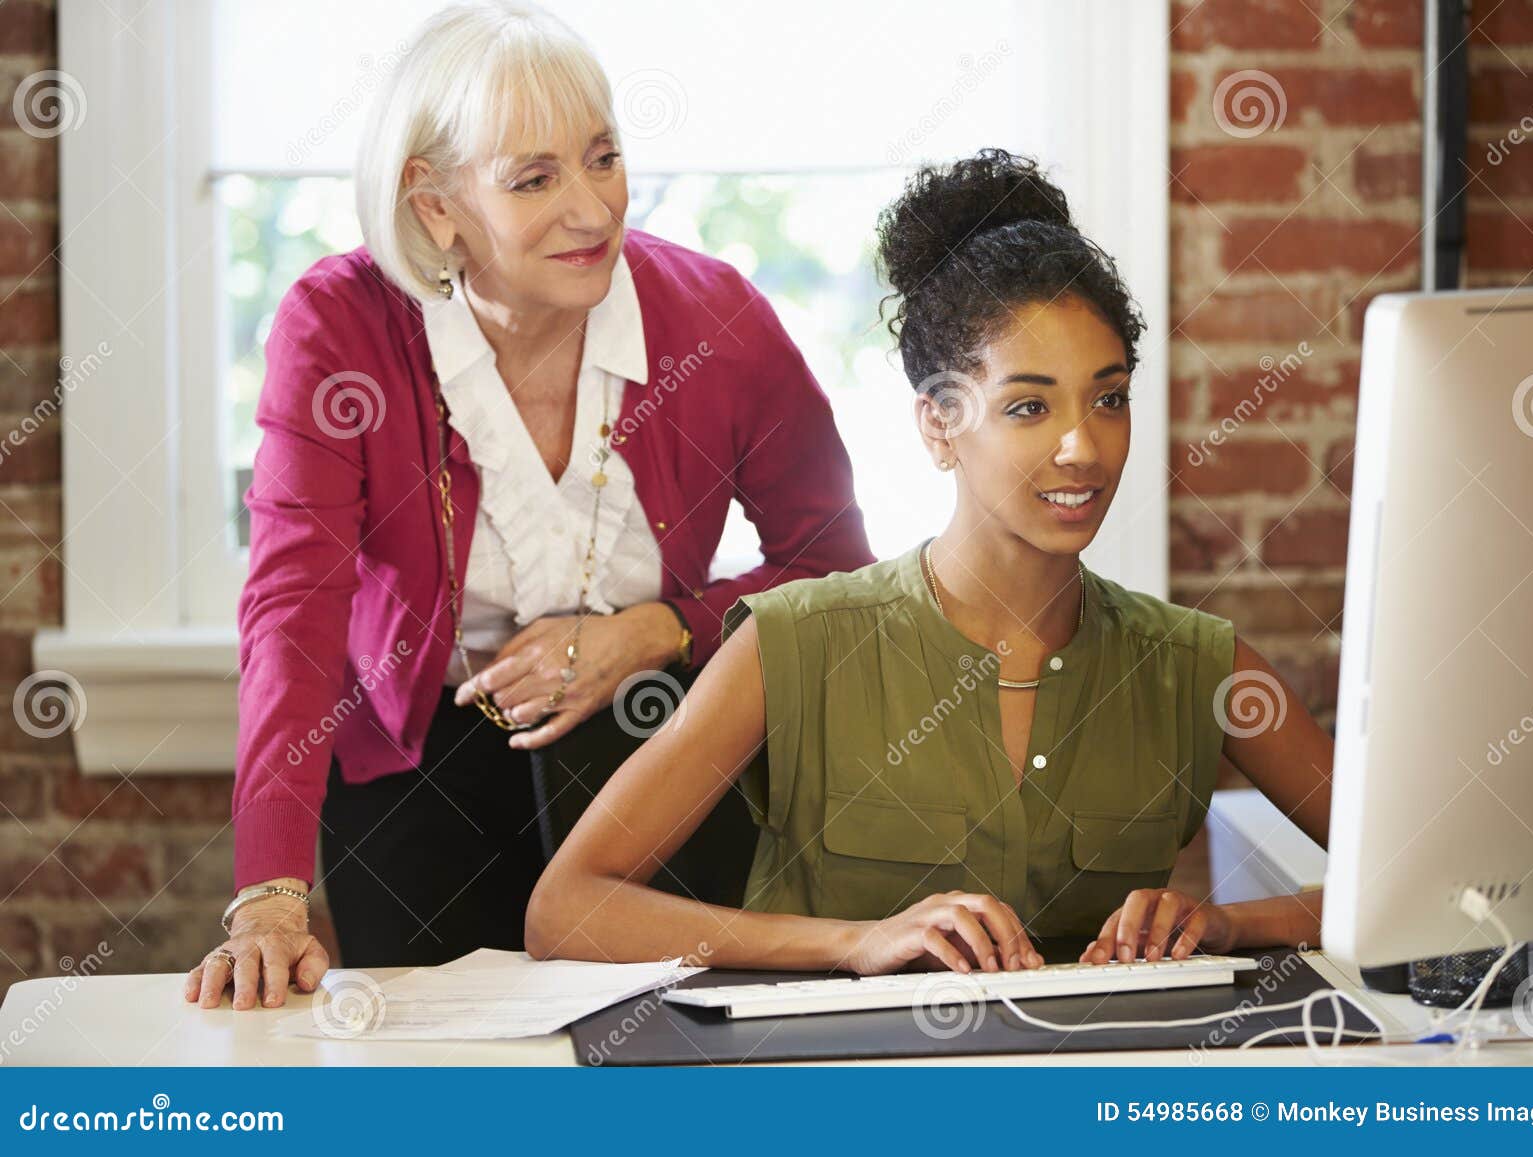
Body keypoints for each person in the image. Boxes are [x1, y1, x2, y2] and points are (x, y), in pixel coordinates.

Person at [184, 0, 871, 1011]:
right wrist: (270, 893)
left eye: (603, 157)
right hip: (415, 764)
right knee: (437, 1072)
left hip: (657, 745)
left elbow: (834, 568)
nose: (593, 210)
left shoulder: (717, 317)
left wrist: (654, 630)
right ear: (436, 207)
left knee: (663, 1059)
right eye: (534, 179)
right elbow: (293, 608)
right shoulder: (339, 326)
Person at [525, 149, 1332, 976]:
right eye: (1028, 406)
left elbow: (1440, 882)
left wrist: (1228, 926)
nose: (1082, 447)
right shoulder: (792, 644)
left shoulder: (1196, 664)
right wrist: (855, 941)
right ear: (939, 425)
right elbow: (569, 907)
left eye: (1110, 398)